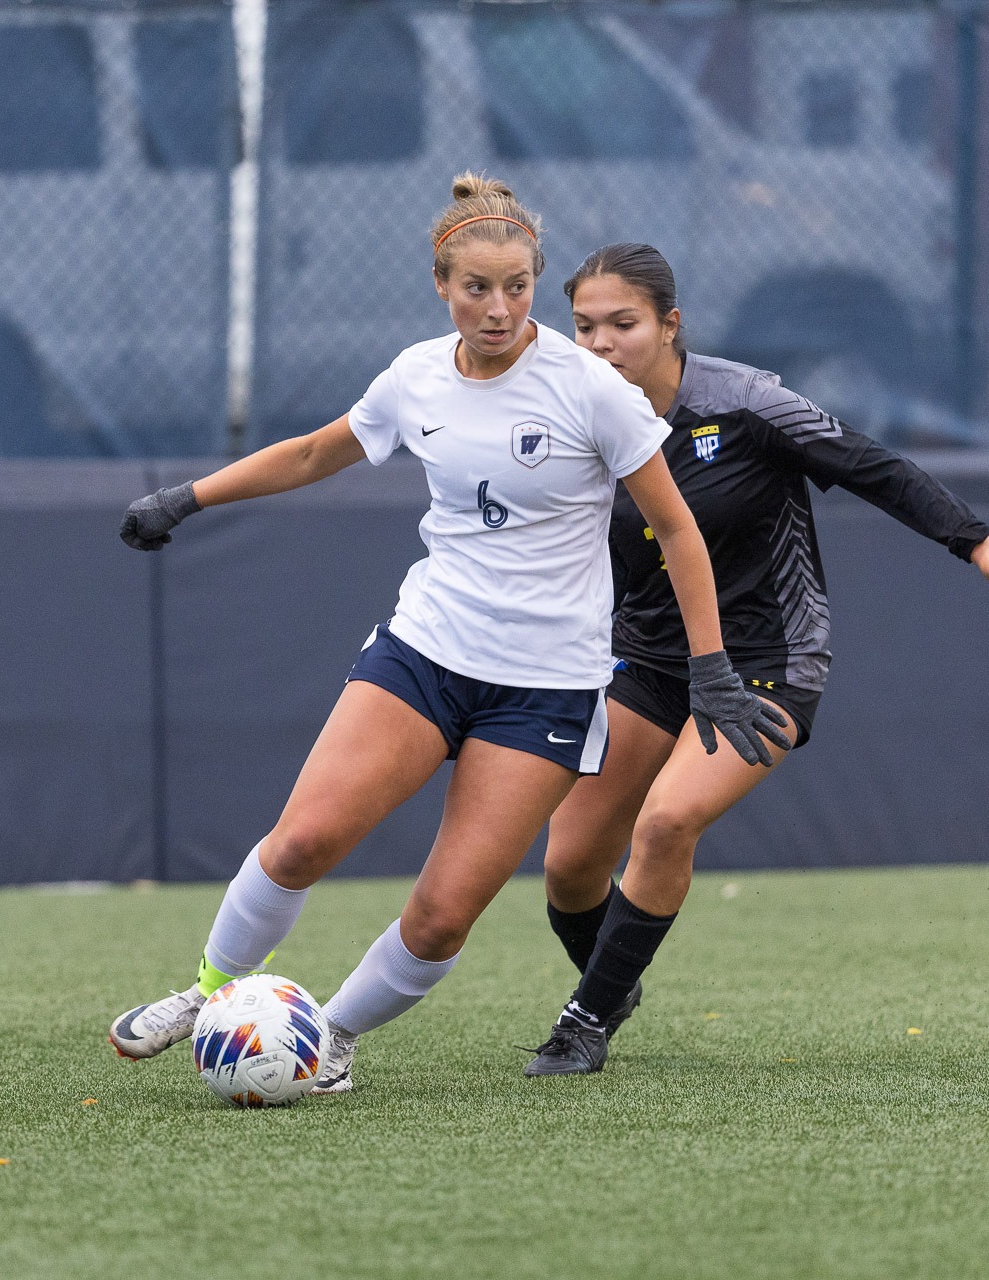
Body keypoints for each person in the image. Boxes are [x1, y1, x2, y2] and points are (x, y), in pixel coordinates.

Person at [106, 180, 788, 1094]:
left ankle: (325, 1040)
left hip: (544, 687)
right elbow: (316, 451)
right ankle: (206, 991)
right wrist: (187, 498)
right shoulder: (417, 375)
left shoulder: (592, 390)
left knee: (440, 920)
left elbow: (676, 529)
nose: (498, 308)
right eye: (476, 288)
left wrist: (710, 669)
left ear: (536, 284)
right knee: (304, 841)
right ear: (442, 285)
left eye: (516, 287)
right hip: (424, 651)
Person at [522, 243, 989, 1077]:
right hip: (650, 659)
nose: (602, 344)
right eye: (585, 327)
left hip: (770, 658)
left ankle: (582, 1023)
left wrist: (973, 540)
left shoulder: (745, 402)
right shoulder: (577, 417)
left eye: (623, 324)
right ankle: (611, 982)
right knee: (570, 862)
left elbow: (872, 465)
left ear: (669, 325)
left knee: (665, 822)